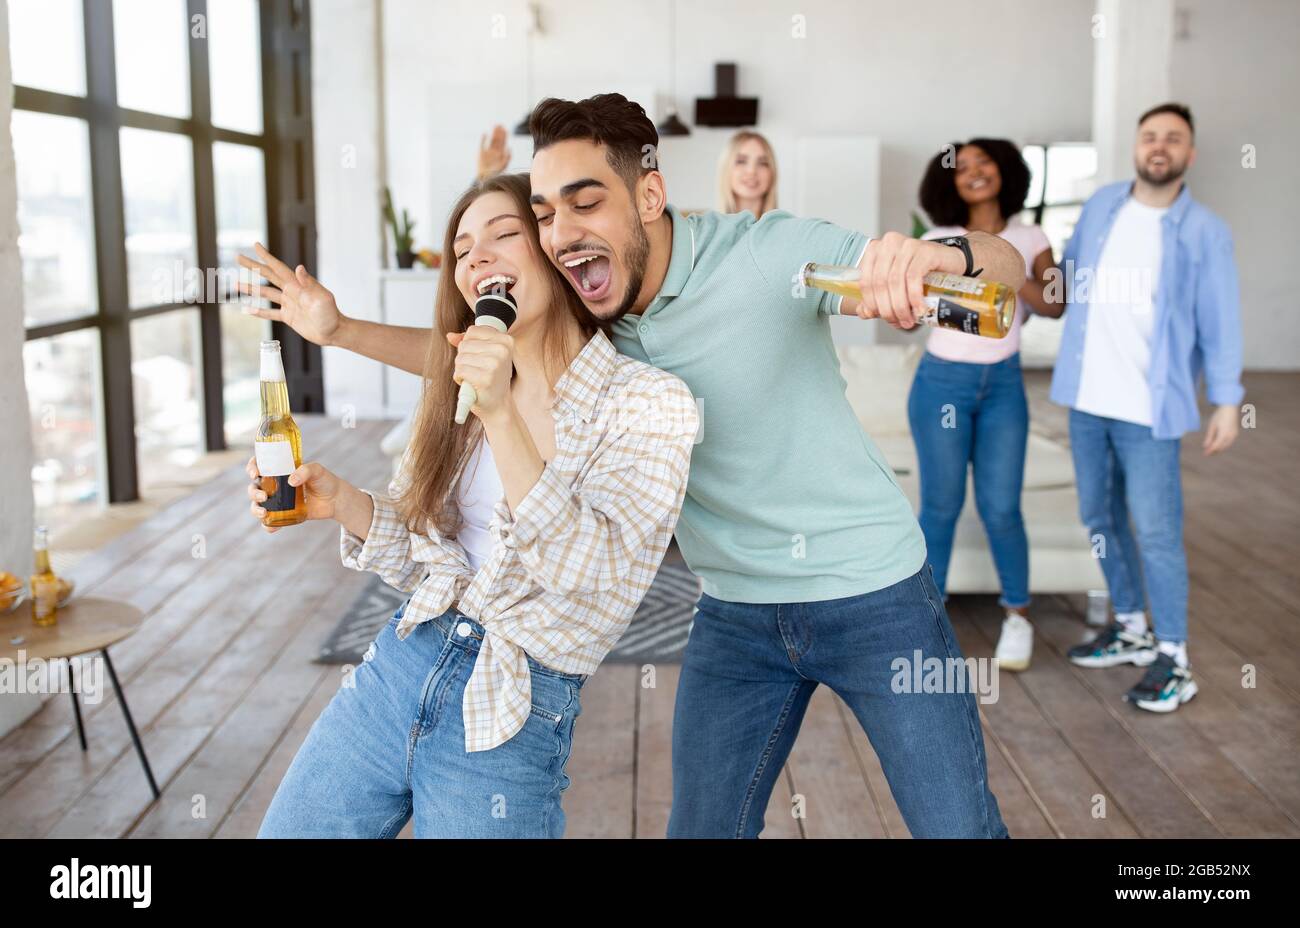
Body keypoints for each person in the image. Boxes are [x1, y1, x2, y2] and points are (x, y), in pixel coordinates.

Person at [243, 93, 1026, 838]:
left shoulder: (773, 257)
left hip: (872, 592)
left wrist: (938, 252)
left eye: (587, 203)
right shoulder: (585, 307)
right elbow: (472, 354)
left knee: (957, 825)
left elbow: (999, 273)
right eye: (545, 215)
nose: (562, 232)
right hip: (735, 607)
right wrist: (339, 329)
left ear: (649, 195)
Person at [244, 172, 697, 837]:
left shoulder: (647, 404)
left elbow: (587, 578)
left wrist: (502, 414)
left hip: (509, 713)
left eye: (504, 234)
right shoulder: (464, 387)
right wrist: (341, 502)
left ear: (554, 250)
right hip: (399, 667)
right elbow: (427, 557)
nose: (476, 256)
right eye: (461, 248)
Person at [1044, 102, 1243, 712]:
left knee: (1157, 532)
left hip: (1147, 410)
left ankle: (1175, 658)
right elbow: (1067, 281)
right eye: (1150, 136)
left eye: (1174, 138)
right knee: (1100, 519)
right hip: (1087, 399)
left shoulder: (1204, 231)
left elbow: (1221, 321)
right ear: (1136, 147)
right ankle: (1129, 625)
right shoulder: (1104, 205)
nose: (1160, 146)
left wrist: (1228, 399)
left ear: (1189, 154)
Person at [909, 138, 1056, 672]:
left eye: (983, 162)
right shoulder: (939, 240)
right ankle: (926, 625)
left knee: (1001, 508)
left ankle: (1017, 618)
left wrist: (1011, 269)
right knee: (941, 508)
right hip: (941, 384)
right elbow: (924, 307)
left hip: (1004, 386)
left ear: (1006, 170)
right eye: (961, 166)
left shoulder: (1030, 237)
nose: (973, 172)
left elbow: (1055, 303)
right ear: (947, 182)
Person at [717, 130, 778, 217]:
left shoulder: (789, 228)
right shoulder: (705, 228)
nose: (751, 171)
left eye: (763, 163)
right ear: (726, 169)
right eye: (741, 161)